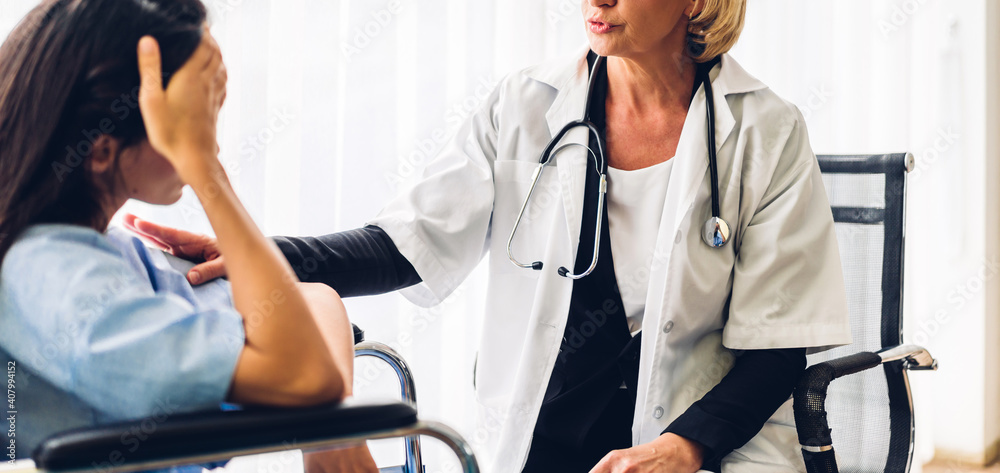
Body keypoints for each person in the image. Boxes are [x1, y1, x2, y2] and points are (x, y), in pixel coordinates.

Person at [131, 0, 852, 471]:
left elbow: (777, 349)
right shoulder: (527, 104)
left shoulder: (765, 131)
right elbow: (406, 241)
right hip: (545, 439)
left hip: (705, 443)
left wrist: (683, 447)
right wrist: (263, 256)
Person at [0, 1, 375, 472]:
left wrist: (329, 429)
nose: (210, 143)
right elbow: (302, 371)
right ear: (102, 151)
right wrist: (204, 168)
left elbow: (312, 301)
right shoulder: (51, 275)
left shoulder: (120, 253)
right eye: (190, 123)